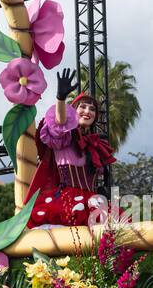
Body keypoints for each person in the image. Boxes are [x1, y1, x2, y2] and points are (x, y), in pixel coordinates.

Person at [25, 69, 115, 228]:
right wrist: (61, 98)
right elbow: (59, 123)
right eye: (83, 107)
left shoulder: (95, 145)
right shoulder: (64, 137)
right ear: (73, 111)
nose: (88, 111)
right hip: (68, 201)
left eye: (92, 109)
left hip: (94, 202)